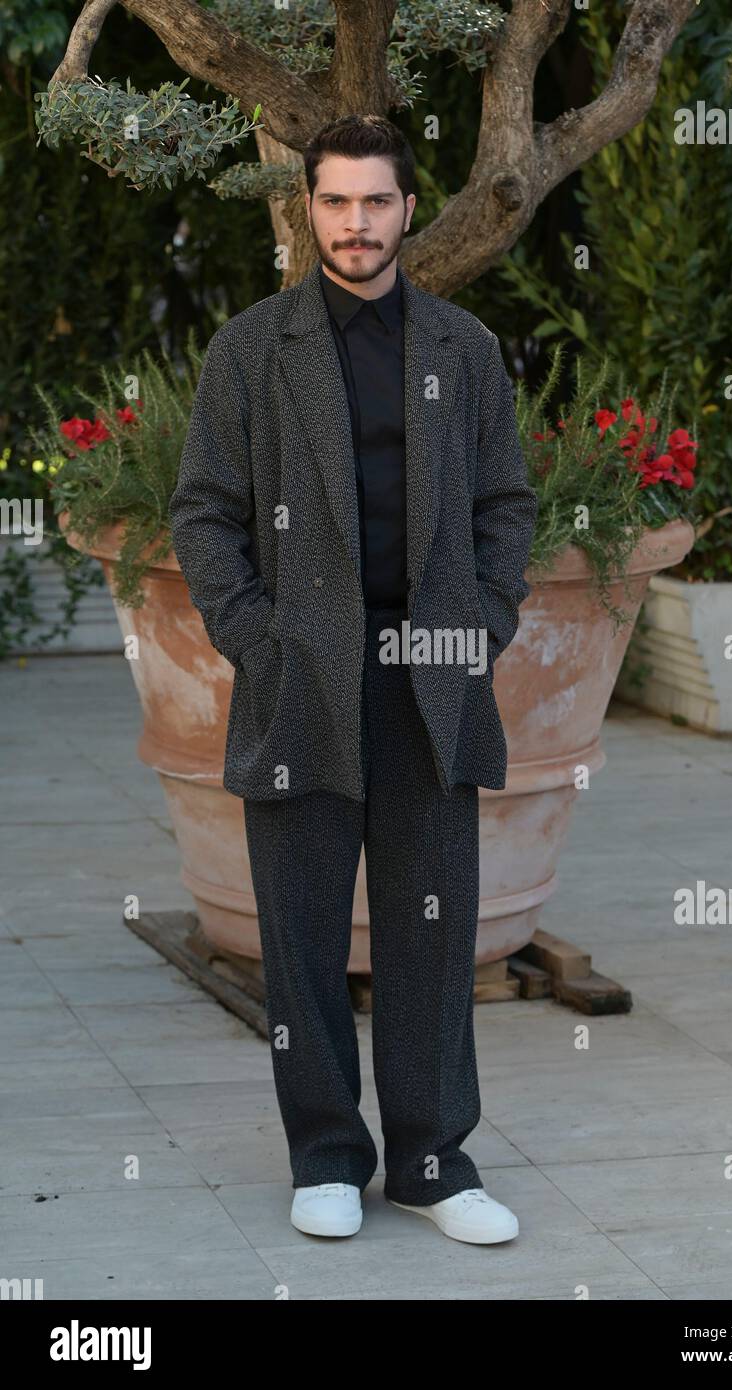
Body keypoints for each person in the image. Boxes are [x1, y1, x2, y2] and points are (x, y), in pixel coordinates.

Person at [168, 114, 537, 1245]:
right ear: (308, 209)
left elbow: (503, 510)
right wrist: (258, 637)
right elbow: (204, 513)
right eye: (334, 201)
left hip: (428, 678)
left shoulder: (463, 350)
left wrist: (476, 627)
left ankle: (433, 1161)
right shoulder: (250, 350)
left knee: (433, 930)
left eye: (375, 201)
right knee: (301, 928)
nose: (355, 222)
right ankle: (325, 1153)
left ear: (408, 210)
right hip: (303, 677)